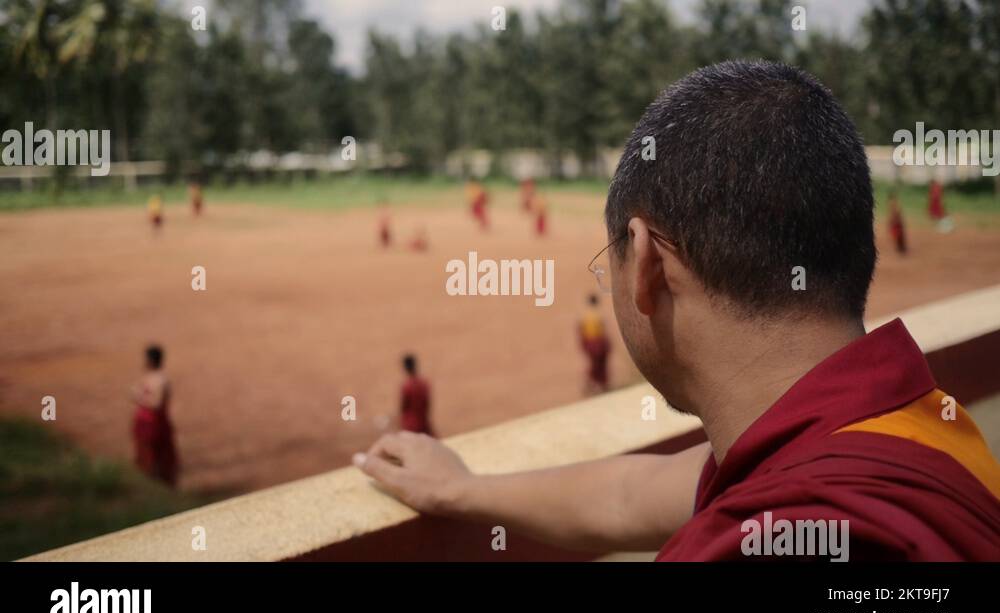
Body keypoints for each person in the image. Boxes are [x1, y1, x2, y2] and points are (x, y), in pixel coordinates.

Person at [353, 61, 1000, 561]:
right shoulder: (917, 428)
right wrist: (464, 491)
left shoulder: (765, 540)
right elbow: (628, 496)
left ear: (649, 265)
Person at [131, 345, 179, 487]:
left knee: (158, 461)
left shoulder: (160, 380)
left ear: (150, 360)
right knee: (147, 459)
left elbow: (157, 403)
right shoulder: (150, 377)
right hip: (146, 423)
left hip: (154, 425)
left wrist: (137, 397)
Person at [579, 294, 610, 394]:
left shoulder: (585, 315)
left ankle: (593, 385)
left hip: (590, 343)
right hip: (597, 343)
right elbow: (601, 332)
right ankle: (594, 385)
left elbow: (581, 331)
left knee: (595, 365)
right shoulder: (597, 315)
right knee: (599, 365)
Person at [399, 354, 434, 437]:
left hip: (410, 426)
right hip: (423, 424)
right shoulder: (423, 384)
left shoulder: (406, 387)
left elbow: (403, 407)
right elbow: (427, 404)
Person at [887, 191, 907, 255]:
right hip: (897, 221)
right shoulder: (894, 203)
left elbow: (896, 213)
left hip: (896, 221)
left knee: (897, 235)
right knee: (897, 235)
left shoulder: (893, 203)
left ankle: (900, 248)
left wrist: (893, 220)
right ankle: (900, 248)